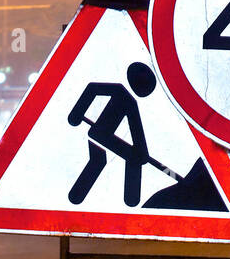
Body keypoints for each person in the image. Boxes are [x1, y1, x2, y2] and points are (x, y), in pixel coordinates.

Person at [65, 61, 159, 207]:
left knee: (103, 161)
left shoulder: (128, 100)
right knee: (112, 160)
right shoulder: (123, 95)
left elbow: (136, 130)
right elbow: (92, 89)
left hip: (102, 135)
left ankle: (130, 200)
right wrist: (76, 114)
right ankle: (130, 199)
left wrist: (142, 152)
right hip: (102, 134)